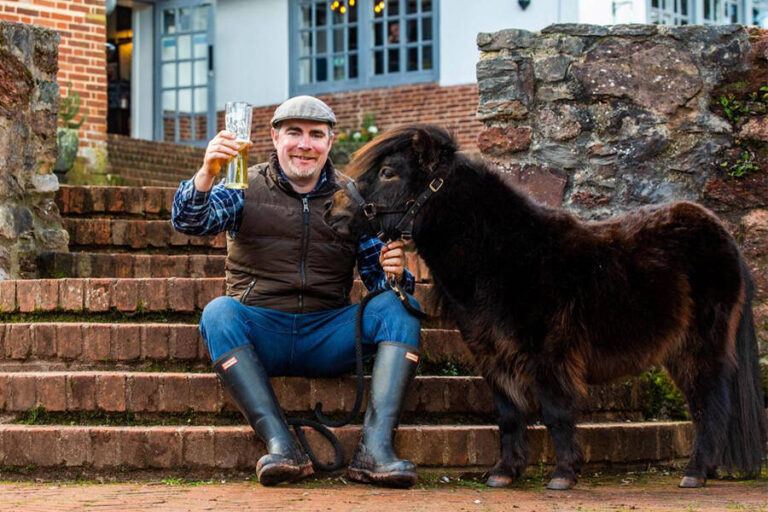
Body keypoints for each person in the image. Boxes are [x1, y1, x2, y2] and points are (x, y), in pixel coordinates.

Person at [171, 95, 422, 488]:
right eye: (294, 133)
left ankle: (375, 449)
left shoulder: (352, 196)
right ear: (275, 138)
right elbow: (189, 221)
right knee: (219, 313)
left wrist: (396, 273)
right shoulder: (242, 184)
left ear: (329, 142)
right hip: (261, 330)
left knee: (400, 308)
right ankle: (281, 444)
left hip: (328, 334)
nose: (305, 145)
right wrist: (206, 173)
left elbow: (381, 286)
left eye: (316, 135)